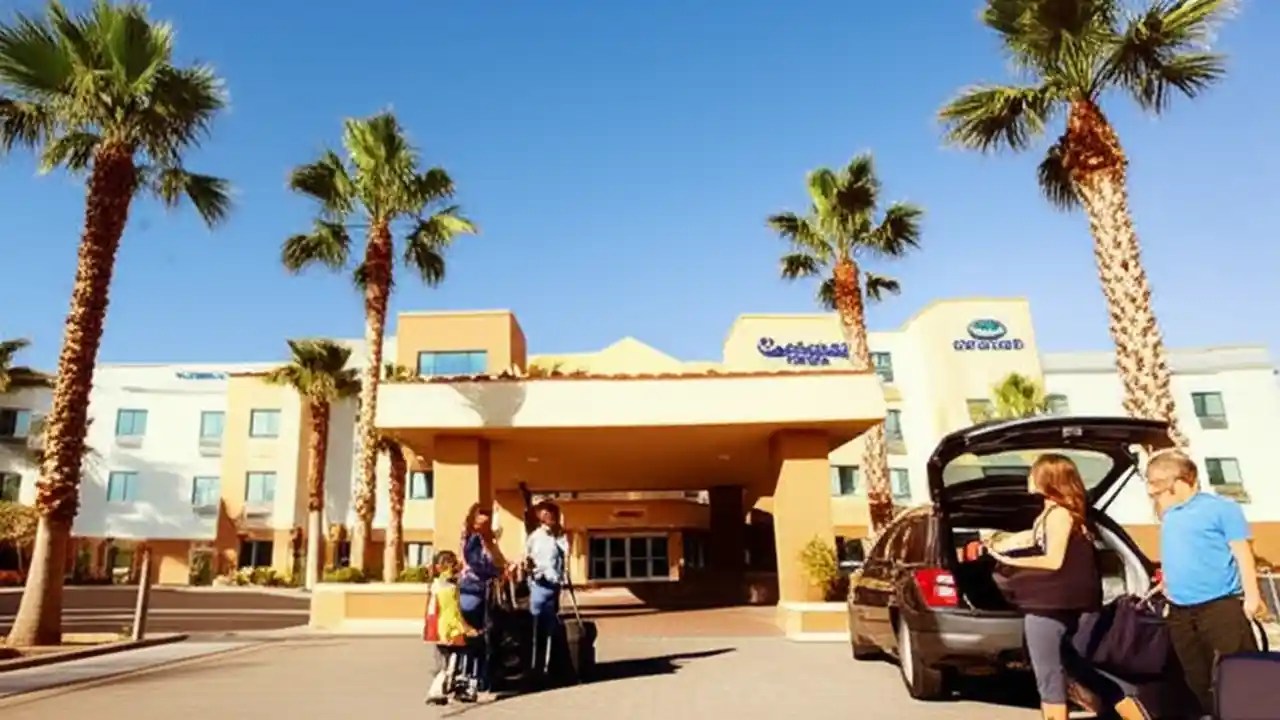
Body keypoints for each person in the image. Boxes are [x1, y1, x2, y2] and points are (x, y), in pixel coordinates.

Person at [985, 454, 1147, 720]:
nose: (1028, 477)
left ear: (1048, 480)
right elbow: (1030, 538)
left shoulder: (1059, 515)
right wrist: (999, 542)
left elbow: (1053, 561)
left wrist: (1006, 561)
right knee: (1078, 669)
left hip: (1049, 607)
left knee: (1049, 677)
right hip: (1076, 604)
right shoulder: (1056, 514)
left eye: (1033, 473)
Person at [1145, 449, 1260, 719]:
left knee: (1238, 674)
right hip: (1180, 611)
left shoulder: (1222, 509)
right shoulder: (1169, 514)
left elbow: (1242, 553)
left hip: (1219, 607)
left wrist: (1253, 597)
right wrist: (1167, 582)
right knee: (1196, 678)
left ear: (1180, 481)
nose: (1152, 492)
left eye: (1157, 484)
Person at [457, 503, 505, 696]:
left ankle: (478, 676)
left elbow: (496, 561)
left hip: (480, 591)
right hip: (473, 590)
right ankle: (473, 676)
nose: (484, 525)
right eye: (481, 521)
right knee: (478, 636)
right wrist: (496, 570)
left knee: (480, 637)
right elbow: (480, 564)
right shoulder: (473, 540)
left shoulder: (484, 540)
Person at [424, 551, 478, 705]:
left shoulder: (435, 585)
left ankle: (442, 688)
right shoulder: (449, 588)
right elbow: (453, 613)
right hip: (449, 630)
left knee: (444, 661)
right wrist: (465, 628)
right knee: (454, 660)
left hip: (438, 630)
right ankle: (446, 689)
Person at [524, 501, 569, 681]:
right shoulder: (535, 537)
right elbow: (528, 558)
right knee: (537, 630)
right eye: (545, 514)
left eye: (552, 514)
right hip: (539, 586)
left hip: (554, 586)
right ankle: (535, 669)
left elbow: (565, 554)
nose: (549, 517)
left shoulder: (559, 537)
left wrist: (559, 536)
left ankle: (551, 667)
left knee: (552, 629)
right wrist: (532, 569)